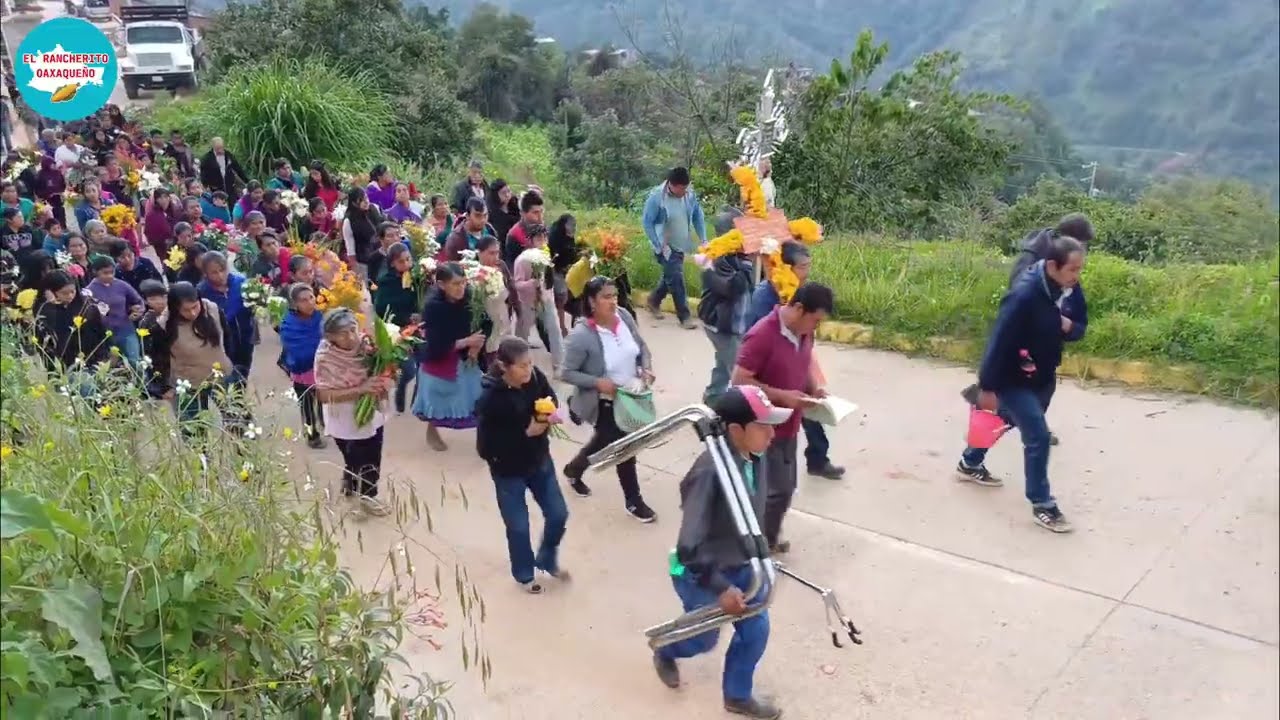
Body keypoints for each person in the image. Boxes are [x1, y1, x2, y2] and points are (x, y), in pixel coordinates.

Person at [652, 384, 790, 720]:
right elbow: (688, 548)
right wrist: (720, 587)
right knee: (703, 640)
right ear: (735, 430)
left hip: (744, 565)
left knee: (756, 631)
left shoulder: (757, 456)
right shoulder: (709, 473)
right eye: (763, 426)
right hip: (703, 572)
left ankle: (737, 696)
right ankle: (665, 649)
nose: (772, 434)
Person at [957, 235, 1085, 534]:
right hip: (1013, 377)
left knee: (1008, 420)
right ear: (1053, 265)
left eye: (1080, 269)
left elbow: (1080, 325)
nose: (1077, 277)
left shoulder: (1066, 288)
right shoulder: (1024, 295)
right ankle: (1043, 504)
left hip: (1042, 373)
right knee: (1038, 436)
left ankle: (970, 461)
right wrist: (987, 386)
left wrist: (1069, 327)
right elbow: (999, 341)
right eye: (1073, 270)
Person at [731, 282, 835, 554]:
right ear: (798, 308)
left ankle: (769, 537)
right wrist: (782, 396)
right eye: (814, 320)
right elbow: (739, 380)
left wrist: (815, 389)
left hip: (790, 425)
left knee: (785, 490)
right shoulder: (762, 335)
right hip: (764, 429)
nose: (815, 329)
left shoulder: (804, 333)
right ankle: (758, 546)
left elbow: (804, 364)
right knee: (773, 492)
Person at [475, 336, 571, 593]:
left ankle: (547, 557)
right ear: (504, 367)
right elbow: (485, 447)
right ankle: (524, 574)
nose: (528, 370)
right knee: (518, 526)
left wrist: (547, 415)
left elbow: (550, 398)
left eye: (529, 364)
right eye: (522, 366)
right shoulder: (490, 399)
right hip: (508, 471)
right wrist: (523, 433)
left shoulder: (535, 378)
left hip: (539, 460)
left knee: (559, 513)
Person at [743, 242, 845, 481]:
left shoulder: (805, 312)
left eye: (808, 266)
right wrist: (782, 393)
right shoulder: (765, 306)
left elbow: (803, 352)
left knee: (810, 414)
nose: (806, 272)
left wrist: (813, 387)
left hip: (793, 389)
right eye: (802, 267)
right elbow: (745, 371)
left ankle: (817, 459)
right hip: (770, 404)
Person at [559, 276, 658, 521]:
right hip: (604, 402)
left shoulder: (623, 316)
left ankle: (574, 469)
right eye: (606, 297)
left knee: (604, 442)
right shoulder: (582, 335)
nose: (613, 301)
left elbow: (641, 348)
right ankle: (633, 502)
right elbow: (566, 372)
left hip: (630, 396)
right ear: (592, 301)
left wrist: (645, 367)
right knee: (626, 448)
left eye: (614, 296)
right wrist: (597, 382)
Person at [1004, 213, 1093, 447]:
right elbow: (1018, 294)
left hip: (1046, 342)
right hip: (1026, 339)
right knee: (1020, 396)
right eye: (1082, 244)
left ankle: (1032, 426)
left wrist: (1069, 324)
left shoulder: (1064, 261)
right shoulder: (1033, 257)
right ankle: (974, 452)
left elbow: (1074, 309)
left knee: (1042, 390)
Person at [315, 307, 394, 516]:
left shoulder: (368, 345)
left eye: (352, 329)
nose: (350, 336)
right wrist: (361, 389)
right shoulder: (325, 357)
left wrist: (384, 380)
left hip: (371, 411)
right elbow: (323, 395)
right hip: (343, 417)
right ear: (330, 337)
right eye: (342, 333)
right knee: (354, 458)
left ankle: (368, 496)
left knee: (372, 456)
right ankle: (353, 487)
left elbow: (385, 369)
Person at [413, 262, 486, 451]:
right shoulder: (434, 308)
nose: (461, 288)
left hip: (468, 359)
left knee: (479, 398)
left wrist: (476, 347)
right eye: (455, 284)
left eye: (463, 282)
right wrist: (466, 342)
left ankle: (485, 439)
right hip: (441, 361)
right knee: (439, 402)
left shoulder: (471, 298)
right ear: (441, 285)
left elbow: (485, 322)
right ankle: (432, 431)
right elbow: (436, 343)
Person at [162, 281, 244, 436]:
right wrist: (165, 387)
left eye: (195, 307)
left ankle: (246, 456)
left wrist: (227, 361)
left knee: (238, 421)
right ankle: (203, 459)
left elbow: (227, 338)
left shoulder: (212, 310)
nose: (192, 313)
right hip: (188, 384)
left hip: (221, 377)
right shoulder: (164, 324)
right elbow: (160, 357)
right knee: (194, 432)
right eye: (186, 310)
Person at [641, 167, 706, 330]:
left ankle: (654, 300)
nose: (685, 192)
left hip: (680, 244)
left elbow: (698, 215)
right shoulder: (657, 197)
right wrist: (657, 245)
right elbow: (647, 222)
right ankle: (684, 316)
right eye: (681, 188)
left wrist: (703, 238)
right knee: (676, 278)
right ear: (672, 185)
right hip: (664, 245)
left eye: (686, 187)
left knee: (670, 276)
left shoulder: (689, 194)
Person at [699, 243, 755, 404]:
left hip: (736, 325)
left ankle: (712, 397)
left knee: (723, 364)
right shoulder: (721, 261)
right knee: (737, 369)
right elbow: (732, 288)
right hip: (721, 325)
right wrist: (746, 265)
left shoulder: (746, 261)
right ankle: (741, 410)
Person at [33, 270, 112, 377]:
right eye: (64, 293)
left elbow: (101, 332)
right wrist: (52, 305)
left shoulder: (86, 305)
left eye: (73, 291)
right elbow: (46, 337)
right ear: (50, 292)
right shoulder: (43, 309)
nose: (70, 296)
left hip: (90, 360)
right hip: (61, 364)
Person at [372, 243, 420, 414]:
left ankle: (418, 403)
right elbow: (382, 309)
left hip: (419, 328)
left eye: (409, 259)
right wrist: (406, 317)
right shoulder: (386, 282)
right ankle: (400, 390)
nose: (407, 264)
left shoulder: (417, 276)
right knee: (408, 370)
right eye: (401, 261)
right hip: (398, 330)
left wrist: (418, 312)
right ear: (392, 263)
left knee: (422, 368)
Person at [279, 283, 327, 449]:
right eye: (303, 300)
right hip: (303, 372)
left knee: (323, 400)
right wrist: (319, 349)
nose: (309, 303)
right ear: (294, 304)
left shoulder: (321, 316)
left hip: (323, 370)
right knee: (307, 406)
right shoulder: (288, 324)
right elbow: (296, 349)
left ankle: (325, 424)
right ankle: (312, 435)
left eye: (311, 297)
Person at [197, 251, 257, 381]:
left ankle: (240, 398)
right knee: (226, 376)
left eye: (222, 270)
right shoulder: (202, 292)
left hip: (246, 337)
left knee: (243, 372)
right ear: (206, 274)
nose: (220, 275)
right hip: (222, 343)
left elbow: (253, 305)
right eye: (214, 272)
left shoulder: (241, 283)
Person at [512, 223, 563, 369]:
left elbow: (549, 280)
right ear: (530, 240)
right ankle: (515, 361)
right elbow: (517, 284)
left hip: (546, 299)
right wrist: (531, 284)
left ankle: (559, 363)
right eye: (539, 238)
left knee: (554, 329)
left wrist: (548, 293)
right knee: (522, 333)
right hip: (527, 302)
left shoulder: (547, 256)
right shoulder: (522, 260)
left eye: (544, 238)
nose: (543, 241)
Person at [84, 255, 145, 365]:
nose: (110, 276)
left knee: (134, 362)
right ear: (95, 272)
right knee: (110, 366)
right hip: (105, 334)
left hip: (125, 329)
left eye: (112, 272)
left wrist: (137, 311)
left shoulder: (121, 285)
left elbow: (138, 301)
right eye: (105, 273)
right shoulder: (89, 291)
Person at [137, 279, 173, 400]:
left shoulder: (174, 315)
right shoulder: (146, 320)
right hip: (156, 358)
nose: (159, 302)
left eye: (162, 297)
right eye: (153, 299)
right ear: (146, 301)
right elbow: (145, 343)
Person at [547, 213, 578, 335]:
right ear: (563, 225)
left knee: (565, 298)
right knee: (561, 298)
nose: (572, 227)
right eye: (570, 225)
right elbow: (554, 255)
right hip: (555, 269)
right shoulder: (554, 236)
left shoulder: (568, 235)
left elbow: (572, 251)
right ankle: (560, 327)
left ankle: (562, 326)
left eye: (574, 225)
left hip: (566, 270)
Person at [341, 186, 384, 274]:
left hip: (381, 254)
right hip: (364, 260)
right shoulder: (349, 221)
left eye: (366, 198)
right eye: (361, 200)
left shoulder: (373, 209)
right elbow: (350, 247)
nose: (366, 202)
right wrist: (355, 268)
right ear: (353, 203)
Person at [442, 197, 495, 261]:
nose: (482, 220)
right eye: (478, 216)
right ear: (467, 216)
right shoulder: (456, 238)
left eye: (485, 215)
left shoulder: (490, 230)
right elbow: (452, 267)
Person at [502, 189, 544, 269]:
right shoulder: (514, 235)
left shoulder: (542, 229)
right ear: (523, 213)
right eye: (535, 212)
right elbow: (513, 267)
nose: (540, 217)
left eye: (541, 212)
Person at [486, 179, 521, 257]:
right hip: (502, 250)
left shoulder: (515, 207)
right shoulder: (492, 213)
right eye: (503, 193)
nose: (507, 195)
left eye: (508, 191)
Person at [143, 188, 180, 259]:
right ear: (156, 200)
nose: (164, 200)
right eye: (160, 197)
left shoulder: (173, 210)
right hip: (163, 248)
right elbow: (149, 232)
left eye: (166, 197)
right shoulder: (152, 215)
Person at [365, 221, 404, 285]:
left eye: (397, 234)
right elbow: (372, 282)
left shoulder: (405, 252)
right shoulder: (374, 258)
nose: (396, 238)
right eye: (390, 236)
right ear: (381, 239)